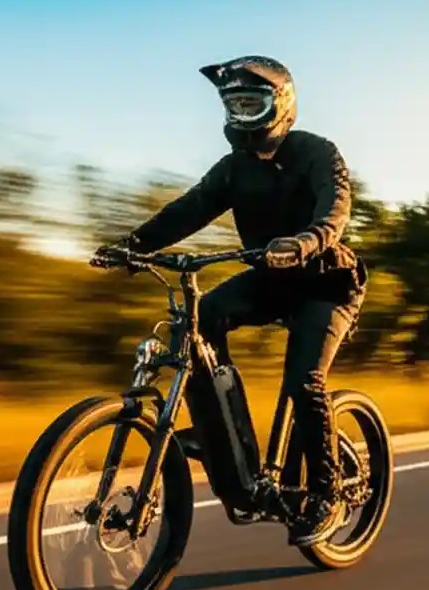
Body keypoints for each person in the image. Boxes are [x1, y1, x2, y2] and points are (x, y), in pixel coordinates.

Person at [93, 55, 367, 547]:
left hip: (327, 281)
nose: (241, 113)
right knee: (201, 322)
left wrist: (306, 241)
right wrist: (133, 246)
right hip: (269, 279)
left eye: (251, 102)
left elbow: (335, 209)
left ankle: (326, 498)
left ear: (279, 105)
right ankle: (222, 434)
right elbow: (189, 210)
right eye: (233, 104)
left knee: (304, 382)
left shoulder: (316, 152)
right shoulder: (234, 168)